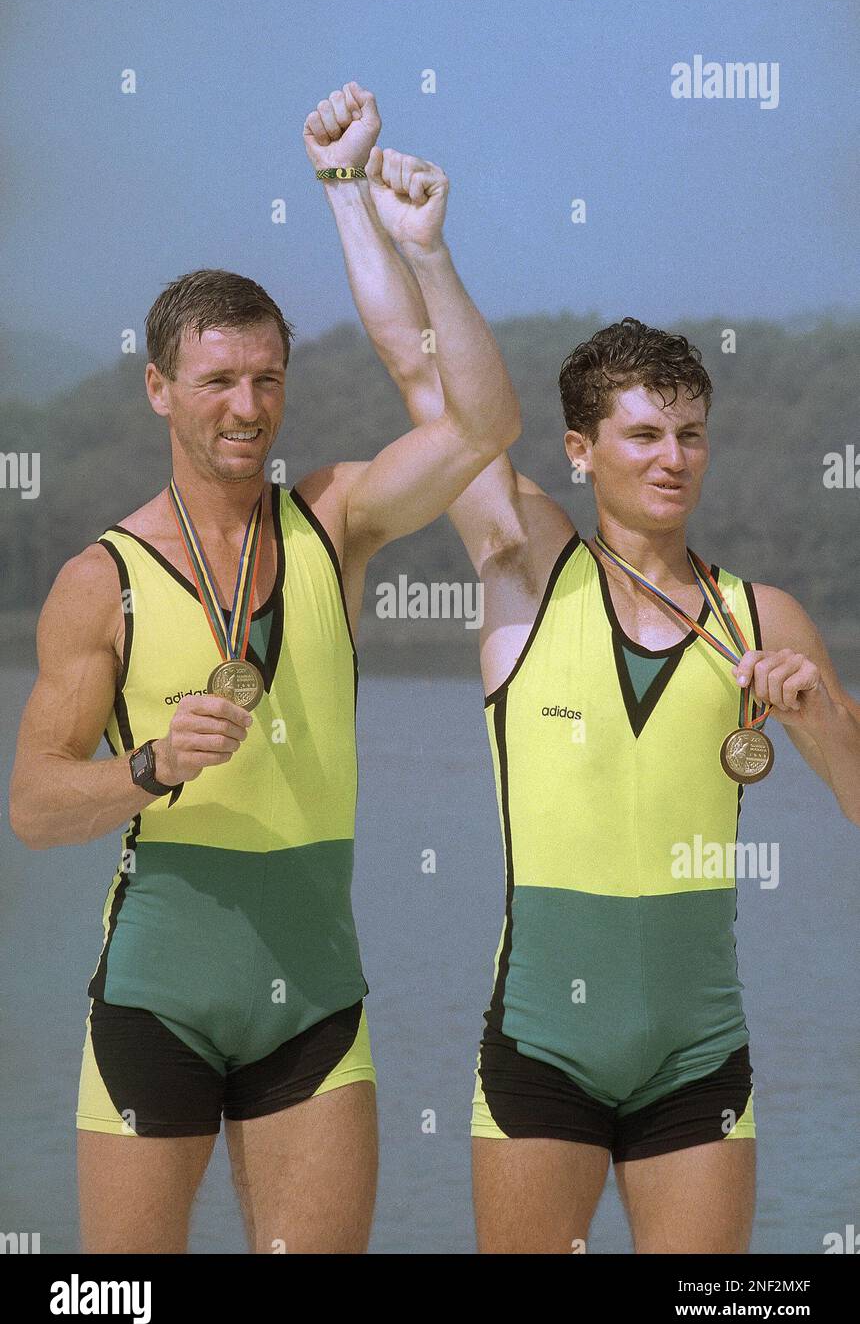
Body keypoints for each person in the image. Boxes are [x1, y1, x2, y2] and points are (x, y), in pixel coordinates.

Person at [8, 83, 520, 1254]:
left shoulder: (334, 519)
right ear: (159, 388)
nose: (247, 407)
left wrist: (428, 253)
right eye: (217, 380)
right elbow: (34, 803)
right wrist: (146, 765)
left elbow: (481, 429)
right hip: (156, 1002)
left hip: (314, 1011)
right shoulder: (106, 579)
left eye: (266, 379)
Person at [333, 168, 860, 1252]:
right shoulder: (523, 564)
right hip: (540, 1053)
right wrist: (410, 240)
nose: (671, 459)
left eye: (689, 435)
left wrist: (816, 719)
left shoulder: (762, 618)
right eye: (641, 436)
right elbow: (420, 379)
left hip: (696, 1059)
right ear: (577, 453)